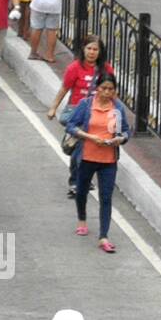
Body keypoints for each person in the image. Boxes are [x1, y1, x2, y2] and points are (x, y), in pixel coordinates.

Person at [64, 73, 131, 254]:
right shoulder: (86, 105)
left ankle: (104, 236)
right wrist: (88, 136)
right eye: (103, 88)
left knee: (107, 197)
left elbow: (125, 131)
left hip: (108, 160)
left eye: (110, 89)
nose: (106, 92)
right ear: (97, 88)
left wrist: (120, 139)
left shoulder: (117, 108)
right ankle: (82, 219)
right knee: (82, 191)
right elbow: (70, 125)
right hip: (86, 157)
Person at [46, 35, 113, 199]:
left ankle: (80, 179)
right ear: (83, 50)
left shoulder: (106, 69)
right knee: (81, 148)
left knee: (85, 148)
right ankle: (76, 182)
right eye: (89, 48)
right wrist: (53, 108)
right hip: (77, 114)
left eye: (95, 49)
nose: (91, 52)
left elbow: (112, 93)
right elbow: (64, 89)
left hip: (98, 114)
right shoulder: (74, 68)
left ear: (100, 51)